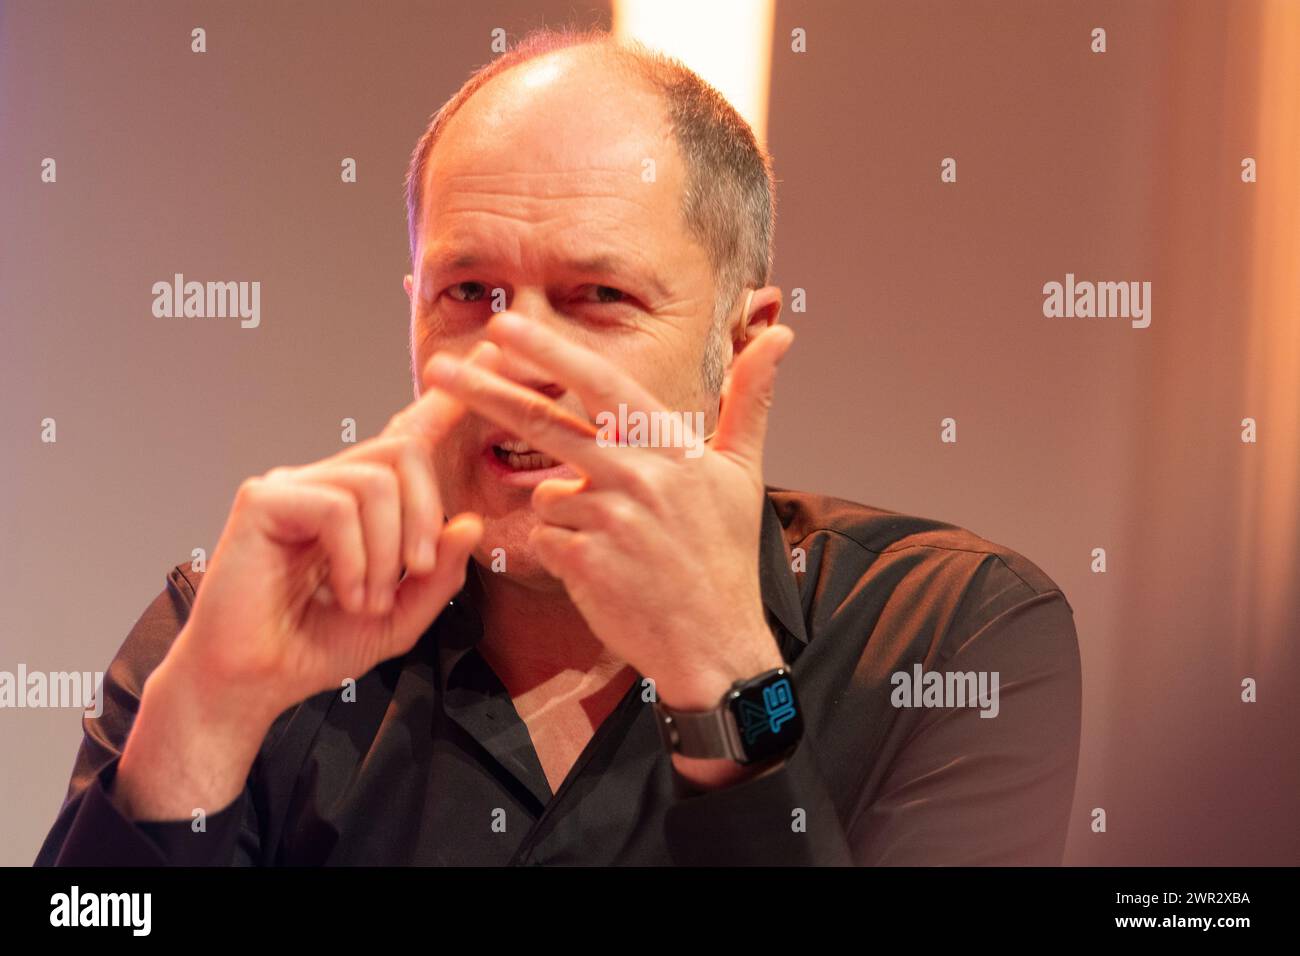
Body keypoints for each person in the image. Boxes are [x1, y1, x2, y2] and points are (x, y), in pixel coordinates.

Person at [36, 26, 1081, 866]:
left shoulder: (949, 635)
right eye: (468, 293)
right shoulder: (245, 613)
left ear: (740, 343)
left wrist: (724, 678)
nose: (517, 357)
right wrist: (206, 718)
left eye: (598, 298)